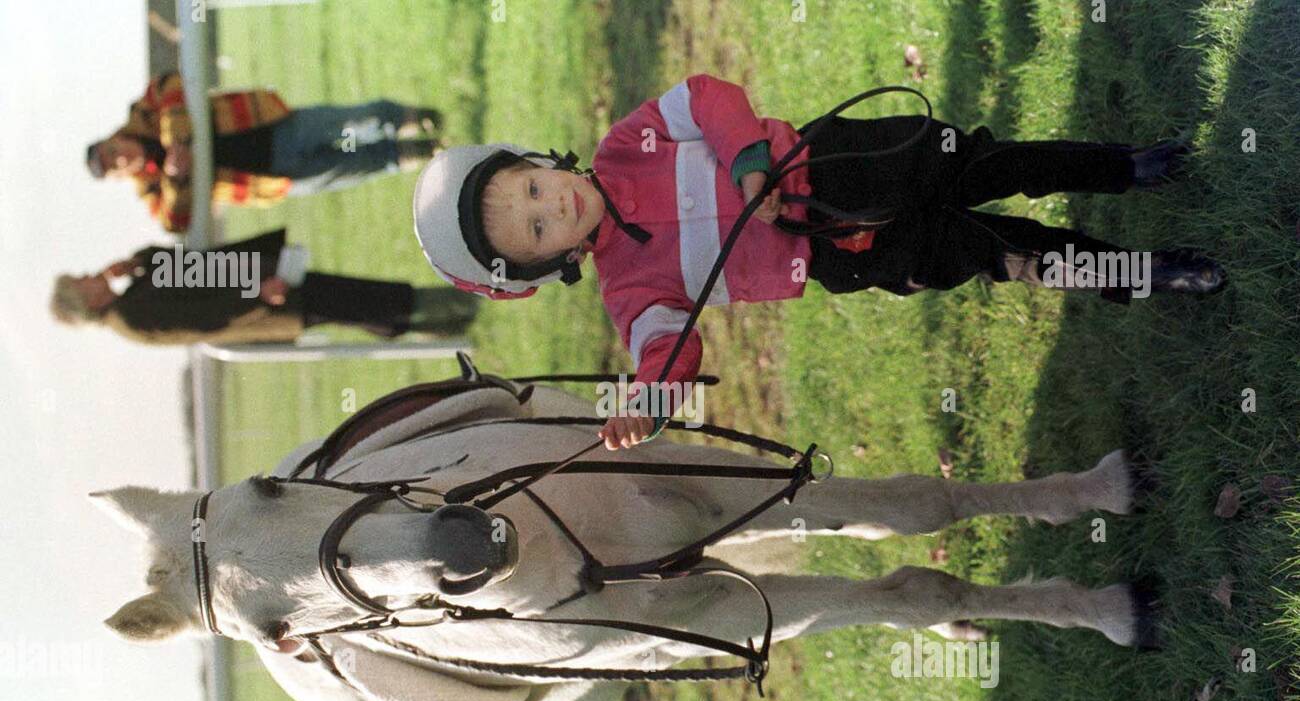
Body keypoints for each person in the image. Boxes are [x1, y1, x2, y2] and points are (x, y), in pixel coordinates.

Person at [412, 73, 1227, 450]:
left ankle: (1124, 167)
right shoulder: (631, 292)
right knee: (997, 254)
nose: (552, 206)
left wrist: (745, 164)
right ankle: (1139, 272)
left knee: (993, 166)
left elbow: (707, 97)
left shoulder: (628, 144)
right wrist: (650, 400)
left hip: (839, 163)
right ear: (544, 266)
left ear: (536, 161)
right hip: (839, 255)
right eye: (536, 231)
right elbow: (671, 349)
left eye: (531, 188)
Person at [87, 71, 443, 232]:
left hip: (269, 126)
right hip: (268, 179)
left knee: (350, 121)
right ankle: (421, 151)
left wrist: (175, 139)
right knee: (351, 167)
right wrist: (177, 179)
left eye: (111, 151)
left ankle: (415, 119)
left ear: (112, 138)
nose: (120, 159)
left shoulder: (143, 113)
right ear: (120, 177)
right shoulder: (152, 191)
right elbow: (175, 223)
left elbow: (169, 84)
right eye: (114, 167)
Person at [50, 229, 479, 345]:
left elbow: (183, 268)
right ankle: (460, 308)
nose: (90, 276)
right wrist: (256, 294)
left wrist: (139, 260)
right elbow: (203, 317)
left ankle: (453, 315)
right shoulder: (131, 315)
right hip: (273, 301)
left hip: (270, 291)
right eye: (82, 281)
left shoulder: (129, 299)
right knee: (366, 305)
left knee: (365, 303)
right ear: (86, 299)